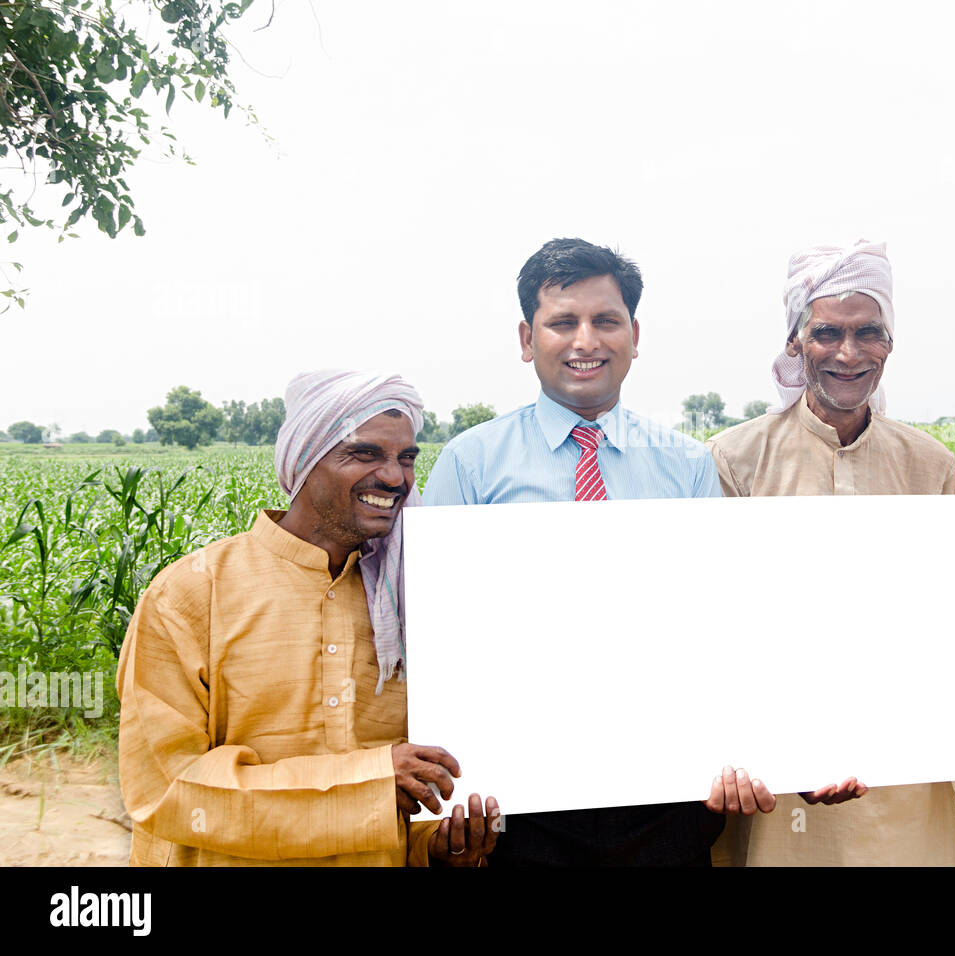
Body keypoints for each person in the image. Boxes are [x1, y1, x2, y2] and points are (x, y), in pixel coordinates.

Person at [423, 237, 804, 865]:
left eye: (605, 320)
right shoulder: (471, 463)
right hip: (521, 799)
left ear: (634, 332)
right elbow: (440, 631)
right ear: (526, 339)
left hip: (663, 793)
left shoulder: (685, 465)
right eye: (562, 322)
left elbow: (716, 621)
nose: (586, 341)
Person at [707, 240, 955, 865]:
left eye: (868, 332)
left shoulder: (928, 463)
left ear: (890, 343)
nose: (848, 352)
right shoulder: (735, 458)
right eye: (826, 333)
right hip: (780, 789)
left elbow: (953, 624)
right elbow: (723, 627)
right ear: (795, 342)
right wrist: (785, 751)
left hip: (907, 788)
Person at [116, 370, 498, 866]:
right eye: (364, 453)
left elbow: (421, 785)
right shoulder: (191, 594)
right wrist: (369, 786)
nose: (394, 477)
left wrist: (439, 846)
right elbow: (167, 790)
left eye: (406, 458)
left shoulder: (411, 599)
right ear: (305, 460)